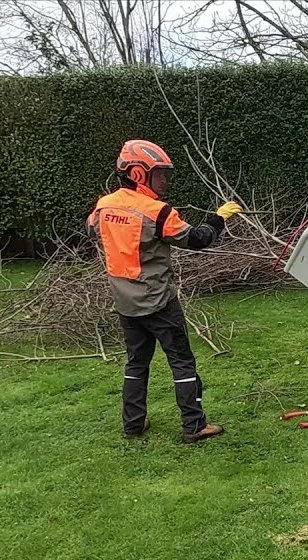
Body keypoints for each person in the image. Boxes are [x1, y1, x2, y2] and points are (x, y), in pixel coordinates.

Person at [87, 139, 241, 443]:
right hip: (159, 301)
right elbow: (197, 239)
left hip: (125, 302)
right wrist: (219, 218)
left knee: (136, 362)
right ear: (137, 173)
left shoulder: (104, 206)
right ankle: (194, 425)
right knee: (182, 361)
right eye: (159, 175)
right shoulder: (157, 212)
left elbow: (91, 229)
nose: (164, 182)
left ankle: (133, 424)